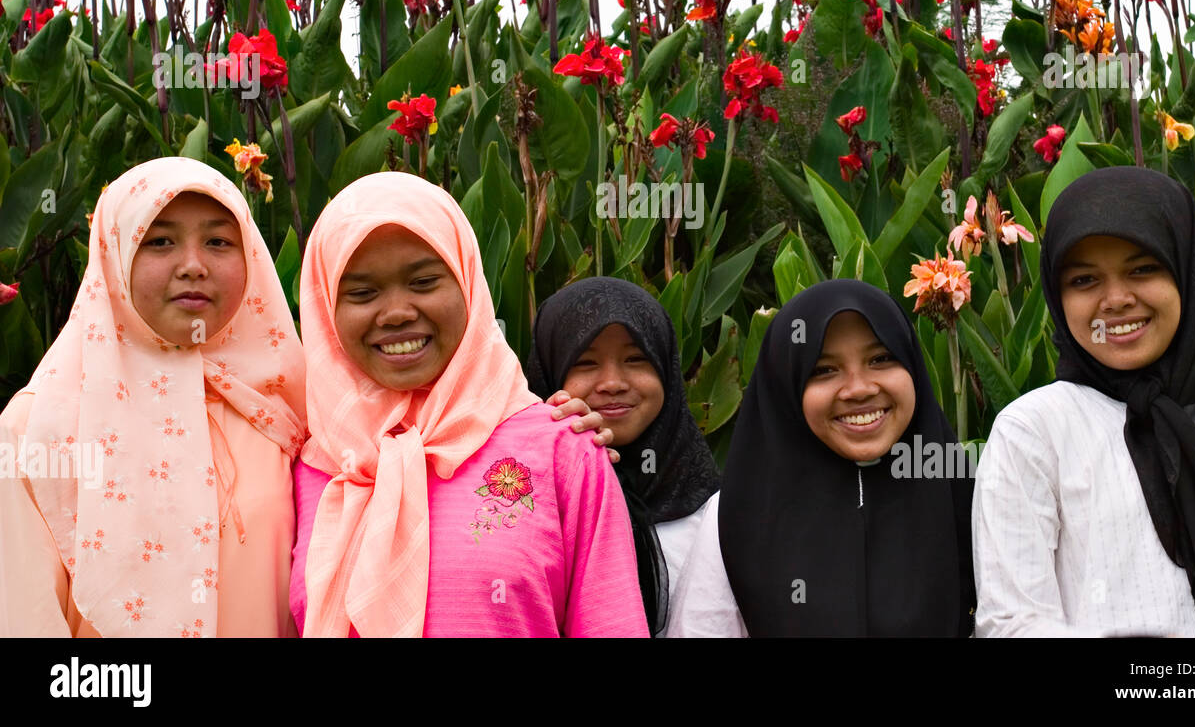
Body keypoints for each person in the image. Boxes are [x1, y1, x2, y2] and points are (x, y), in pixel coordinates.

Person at [289, 171, 648, 637]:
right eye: (361, 292)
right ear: (326, 309)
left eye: (423, 281)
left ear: (468, 284)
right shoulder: (308, 463)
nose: (396, 312)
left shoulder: (562, 446)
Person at [973, 166, 1195, 636]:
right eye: (1084, 280)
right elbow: (1013, 622)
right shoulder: (1035, 433)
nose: (1117, 299)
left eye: (1143, 269)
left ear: (1187, 272)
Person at [0, 157, 306, 637]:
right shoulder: (39, 425)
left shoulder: (285, 411)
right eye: (160, 241)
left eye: (218, 241)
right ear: (114, 253)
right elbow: (22, 620)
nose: (193, 266)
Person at [667, 279, 975, 637]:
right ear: (786, 384)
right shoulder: (739, 514)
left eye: (880, 359)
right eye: (824, 370)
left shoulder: (964, 498)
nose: (859, 388)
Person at [525, 277, 720, 636]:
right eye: (584, 362)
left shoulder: (714, 517)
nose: (612, 382)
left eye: (635, 359)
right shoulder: (518, 506)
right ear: (549, 371)